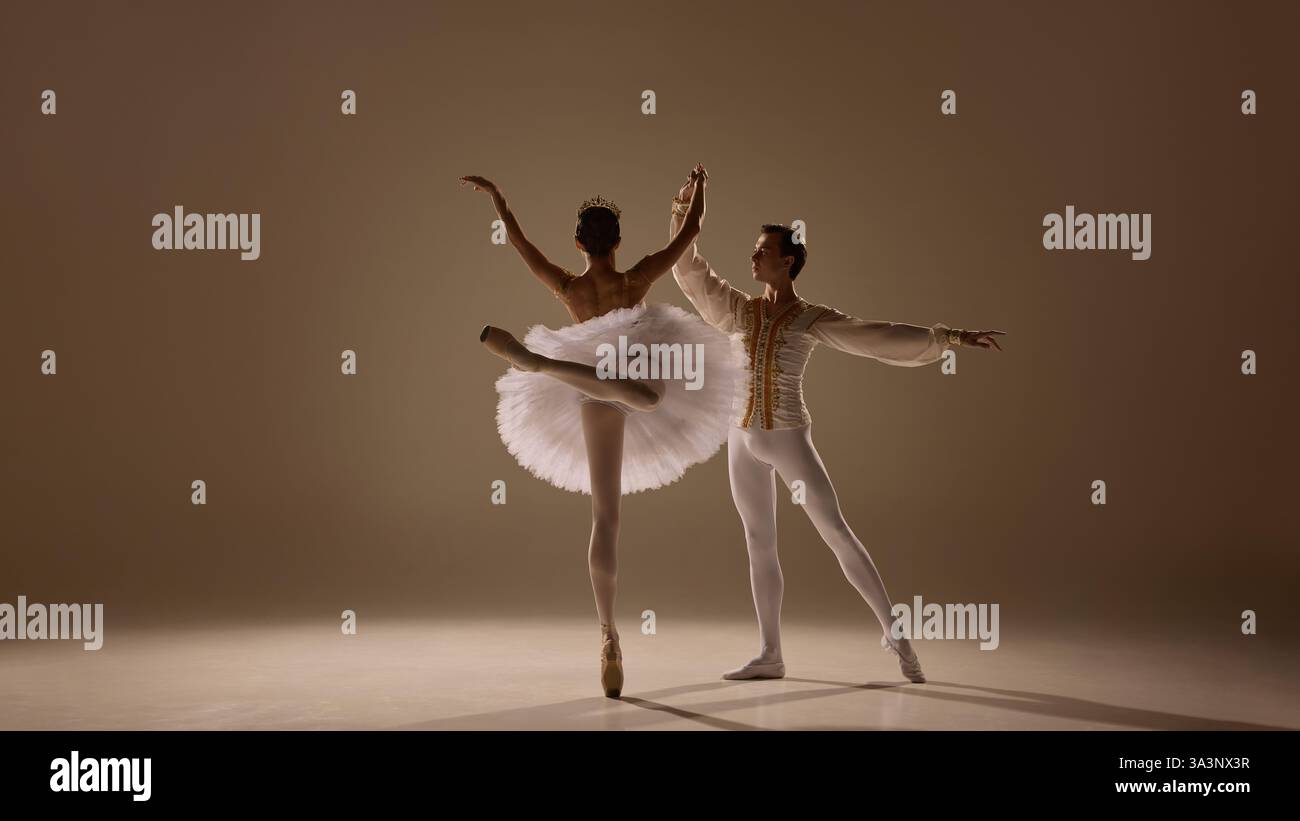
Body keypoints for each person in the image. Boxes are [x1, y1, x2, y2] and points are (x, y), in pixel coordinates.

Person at [667, 165, 1005, 683]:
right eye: (754, 248)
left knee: (837, 534)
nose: (754, 255)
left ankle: (895, 633)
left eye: (764, 249)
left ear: (789, 260)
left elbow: (878, 336)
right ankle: (770, 654)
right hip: (741, 440)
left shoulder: (810, 319)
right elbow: (688, 271)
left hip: (788, 439)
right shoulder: (739, 310)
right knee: (758, 541)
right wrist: (686, 207)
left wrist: (952, 337)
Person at [461, 168, 744, 698]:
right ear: (616, 242)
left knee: (605, 516)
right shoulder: (634, 280)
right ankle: (542, 365)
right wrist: (698, 187)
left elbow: (520, 245)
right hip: (632, 384)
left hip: (592, 398)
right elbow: (688, 234)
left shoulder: (569, 286)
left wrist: (500, 200)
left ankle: (607, 631)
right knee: (650, 397)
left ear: (578, 244)